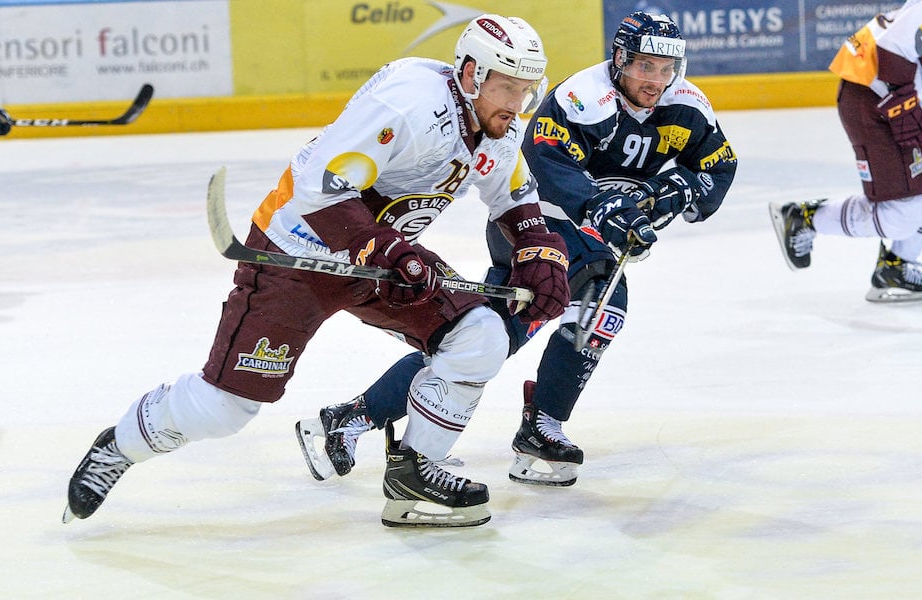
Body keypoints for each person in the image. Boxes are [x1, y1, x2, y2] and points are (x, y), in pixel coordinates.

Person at [63, 14, 570, 529]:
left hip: (380, 262)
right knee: (224, 409)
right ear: (470, 75)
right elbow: (316, 189)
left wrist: (539, 248)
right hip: (299, 252)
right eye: (508, 87)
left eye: (527, 90)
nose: (518, 103)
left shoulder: (492, 125)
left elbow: (514, 197)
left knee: (480, 335)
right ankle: (120, 445)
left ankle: (415, 474)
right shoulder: (411, 103)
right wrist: (385, 248)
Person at [296, 11, 737, 487]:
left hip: (596, 244)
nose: (654, 80)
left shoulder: (688, 105)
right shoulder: (582, 99)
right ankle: (362, 418)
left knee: (554, 326)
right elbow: (540, 168)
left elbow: (718, 163)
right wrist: (598, 206)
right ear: (620, 59)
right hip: (538, 229)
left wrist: (682, 191)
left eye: (664, 69)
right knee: (506, 331)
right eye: (644, 66)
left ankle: (533, 426)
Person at [770, 0, 922, 302]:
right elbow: (894, 43)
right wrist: (903, 105)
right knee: (902, 215)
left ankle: (895, 266)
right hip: (868, 90)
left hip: (902, 89)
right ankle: (805, 216)